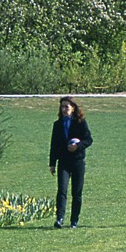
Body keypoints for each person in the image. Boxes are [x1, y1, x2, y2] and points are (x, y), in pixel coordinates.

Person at [48, 96, 92, 228]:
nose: (64, 109)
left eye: (67, 107)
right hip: (63, 162)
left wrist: (77, 146)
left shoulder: (80, 123)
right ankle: (59, 218)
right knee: (62, 190)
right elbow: (54, 145)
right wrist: (52, 163)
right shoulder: (57, 125)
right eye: (62, 107)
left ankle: (74, 220)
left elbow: (88, 140)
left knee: (76, 193)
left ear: (73, 108)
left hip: (77, 162)